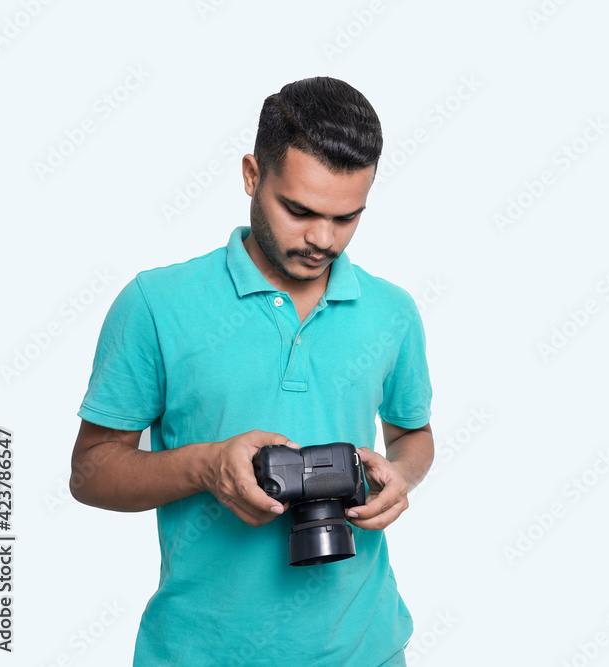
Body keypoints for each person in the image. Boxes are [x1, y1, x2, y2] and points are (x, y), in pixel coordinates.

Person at [70, 77, 434, 666]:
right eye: (299, 211)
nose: (322, 239)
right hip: (201, 654)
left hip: (367, 649)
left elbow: (411, 435)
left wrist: (400, 477)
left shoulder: (392, 312)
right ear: (251, 175)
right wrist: (208, 466)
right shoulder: (157, 304)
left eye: (347, 218)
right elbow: (90, 472)